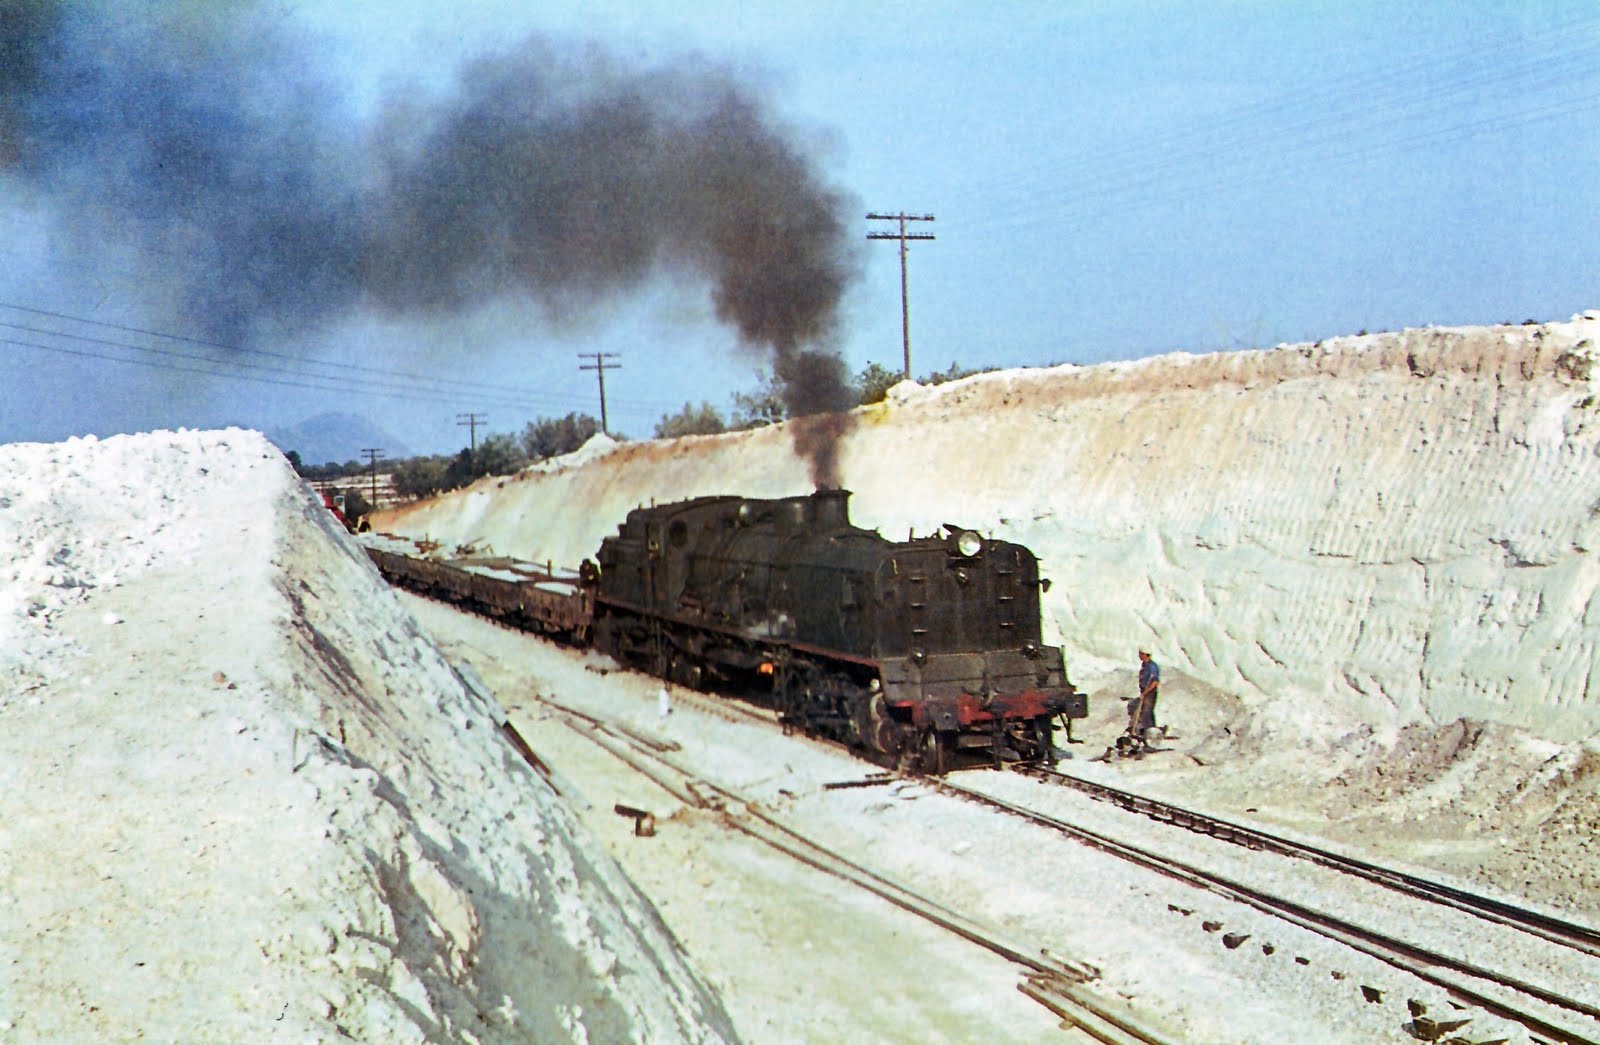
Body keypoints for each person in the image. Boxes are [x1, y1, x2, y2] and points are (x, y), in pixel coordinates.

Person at [1134, 650, 1160, 735]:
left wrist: (1145, 692)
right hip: (1145, 691)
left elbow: (1155, 681)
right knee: (1147, 711)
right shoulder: (1144, 665)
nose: (1139, 656)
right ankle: (1151, 731)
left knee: (1147, 712)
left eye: (1141, 654)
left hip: (1150, 692)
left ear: (1145, 655)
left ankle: (1150, 733)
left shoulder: (1152, 666)